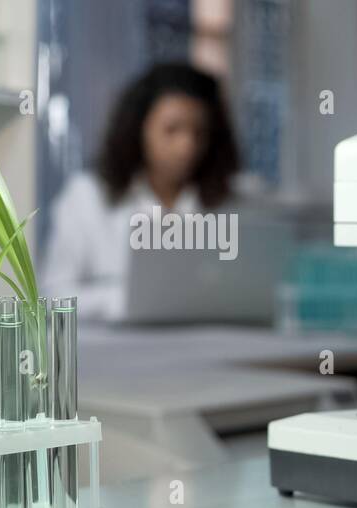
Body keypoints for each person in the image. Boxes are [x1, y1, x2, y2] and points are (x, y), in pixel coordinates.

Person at [41, 63, 241, 320]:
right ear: (138, 129)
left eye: (199, 133)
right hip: (115, 354)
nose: (186, 147)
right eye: (171, 130)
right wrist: (122, 298)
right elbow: (50, 298)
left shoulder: (228, 203)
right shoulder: (86, 197)